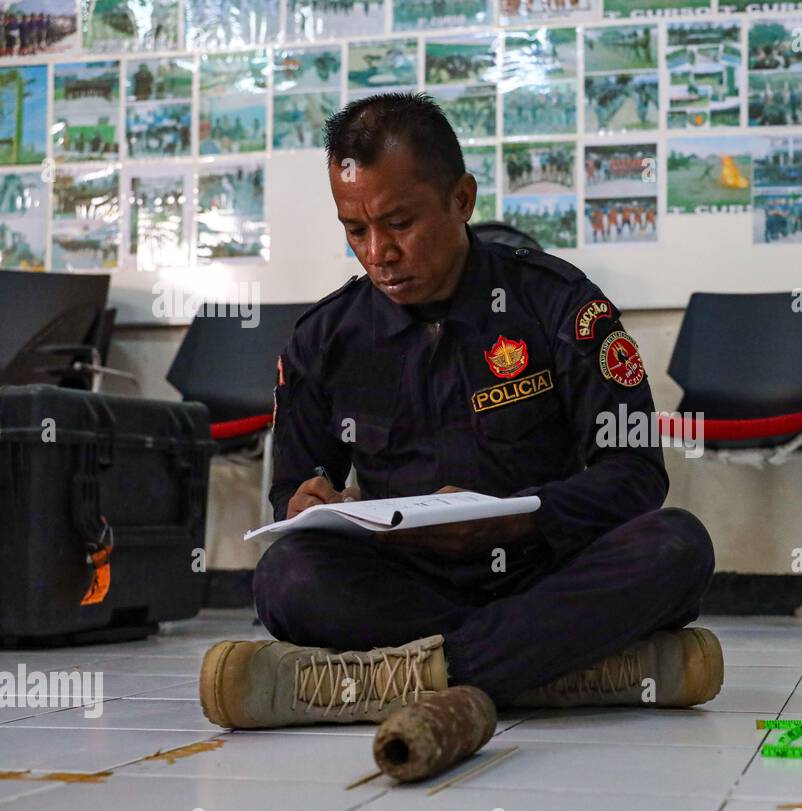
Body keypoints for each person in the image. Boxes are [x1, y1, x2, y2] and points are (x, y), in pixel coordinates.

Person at [199, 93, 721, 730]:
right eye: (355, 230)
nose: (378, 253)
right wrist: (303, 505)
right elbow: (293, 489)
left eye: (399, 223)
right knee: (287, 579)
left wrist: (515, 522)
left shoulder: (560, 306)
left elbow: (637, 475)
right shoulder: (325, 340)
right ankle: (556, 670)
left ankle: (401, 680)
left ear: (463, 200)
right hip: (410, 583)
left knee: (677, 546)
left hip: (545, 568)